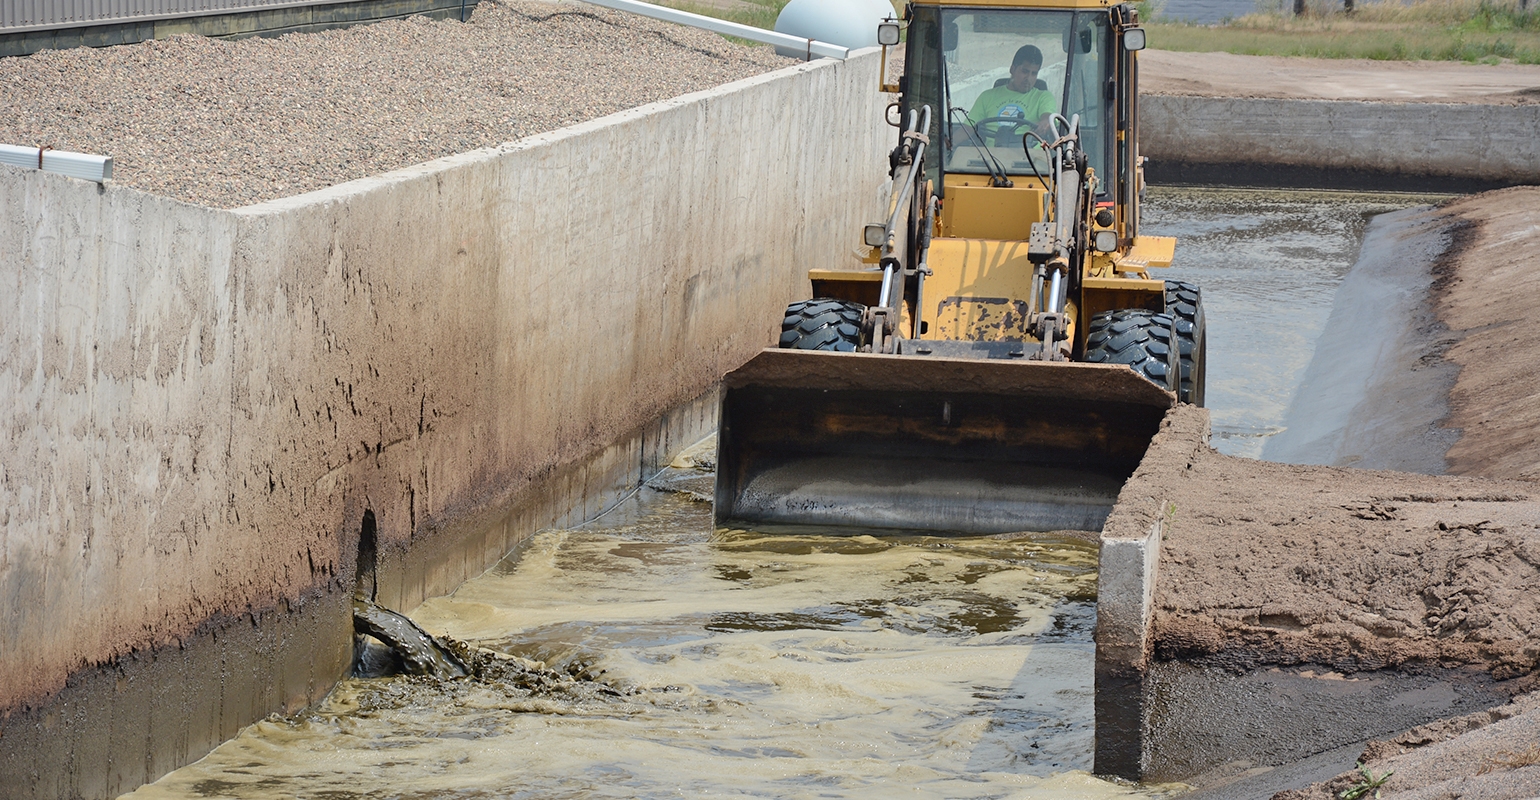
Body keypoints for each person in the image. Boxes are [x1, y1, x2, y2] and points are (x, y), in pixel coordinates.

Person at [967, 44, 1056, 145]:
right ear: (1012, 69)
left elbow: (1048, 117)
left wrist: (1045, 122)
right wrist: (952, 143)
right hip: (991, 153)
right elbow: (967, 128)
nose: (1028, 78)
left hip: (1030, 153)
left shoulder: (1043, 97)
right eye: (1025, 71)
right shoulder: (986, 97)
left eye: (1034, 73)